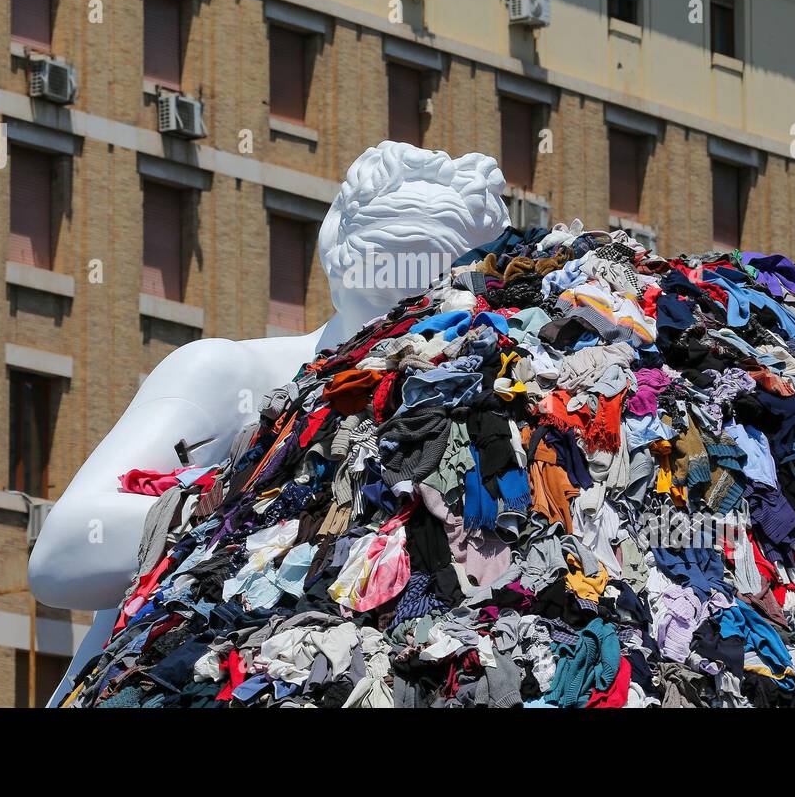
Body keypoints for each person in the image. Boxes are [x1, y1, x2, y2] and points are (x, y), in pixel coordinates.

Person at [27, 141, 509, 702]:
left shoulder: (472, 422)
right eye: (395, 268)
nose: (410, 310)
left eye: (438, 286)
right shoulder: (233, 372)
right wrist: (285, 521)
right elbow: (62, 553)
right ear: (338, 248)